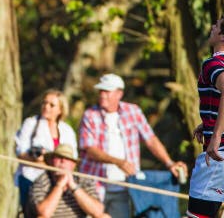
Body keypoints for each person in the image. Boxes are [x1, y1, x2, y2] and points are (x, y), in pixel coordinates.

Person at [78, 73, 187, 217]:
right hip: (94, 185)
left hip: (124, 186)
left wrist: (169, 163)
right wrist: (118, 162)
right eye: (101, 91)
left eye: (107, 91)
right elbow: (89, 149)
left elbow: (150, 139)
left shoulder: (133, 111)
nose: (102, 95)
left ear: (119, 94)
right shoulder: (90, 115)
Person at [15, 89, 77, 210]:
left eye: (51, 105)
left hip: (58, 182)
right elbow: (21, 153)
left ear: (60, 110)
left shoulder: (67, 130)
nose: (46, 107)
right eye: (44, 103)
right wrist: (41, 161)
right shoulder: (31, 123)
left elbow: (73, 157)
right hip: (31, 178)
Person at [187, 17, 224, 218]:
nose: (212, 27)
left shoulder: (214, 63)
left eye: (217, 26)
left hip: (218, 155)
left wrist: (216, 135)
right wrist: (209, 121)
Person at [27, 144, 106, 218]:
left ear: (73, 165)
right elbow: (44, 212)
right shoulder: (41, 181)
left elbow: (98, 211)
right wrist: (60, 185)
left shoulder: (82, 180)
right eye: (58, 157)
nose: (63, 161)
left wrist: (73, 186)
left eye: (67, 159)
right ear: (51, 161)